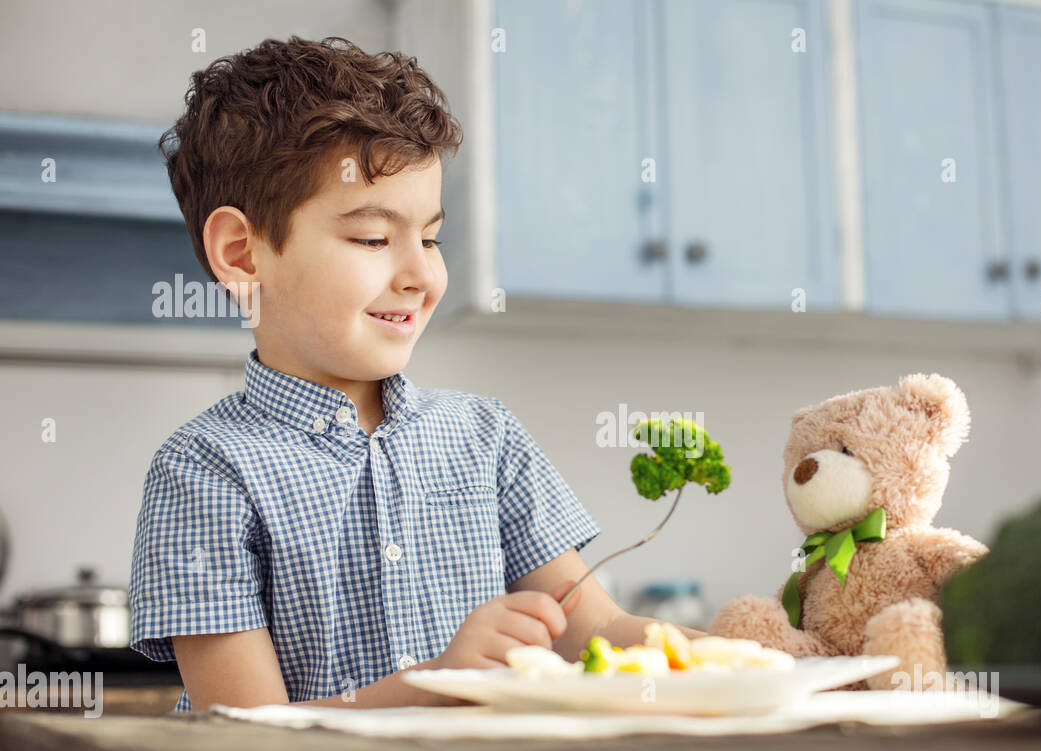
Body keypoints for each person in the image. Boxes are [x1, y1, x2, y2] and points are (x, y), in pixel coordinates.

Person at [129, 36, 705, 713]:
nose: (421, 273)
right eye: (373, 239)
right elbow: (247, 731)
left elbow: (600, 630)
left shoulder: (485, 437)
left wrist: (761, 652)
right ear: (242, 255)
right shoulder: (204, 471)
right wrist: (442, 680)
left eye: (430, 237)